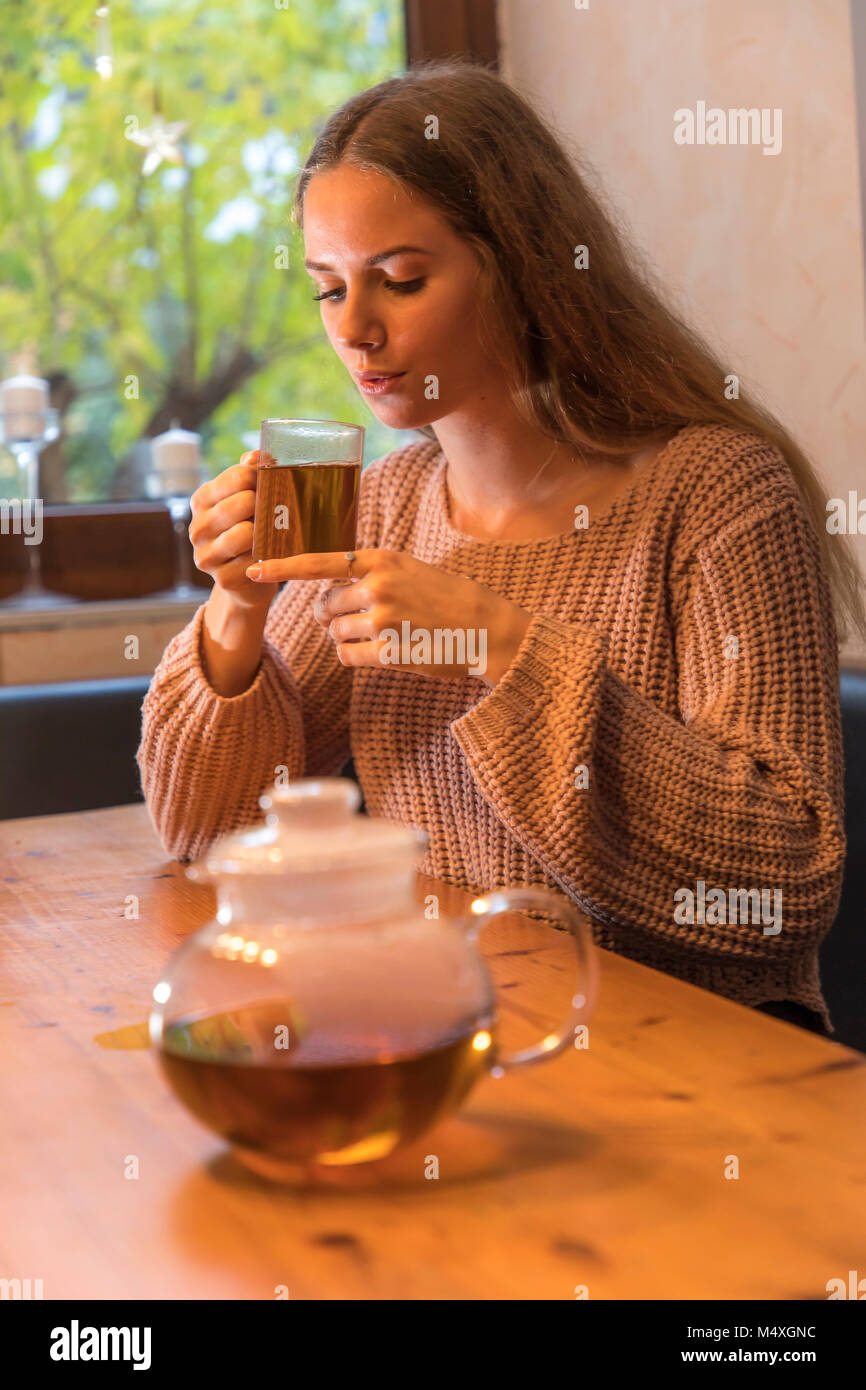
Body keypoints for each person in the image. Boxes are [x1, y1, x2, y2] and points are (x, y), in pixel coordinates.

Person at [136, 59, 866, 1038]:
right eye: (326, 289)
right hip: (472, 1039)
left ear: (520, 264)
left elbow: (781, 880)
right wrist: (236, 609)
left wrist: (499, 643)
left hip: (702, 1063)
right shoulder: (381, 506)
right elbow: (208, 834)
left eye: (399, 279)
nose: (353, 330)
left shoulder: (714, 492)